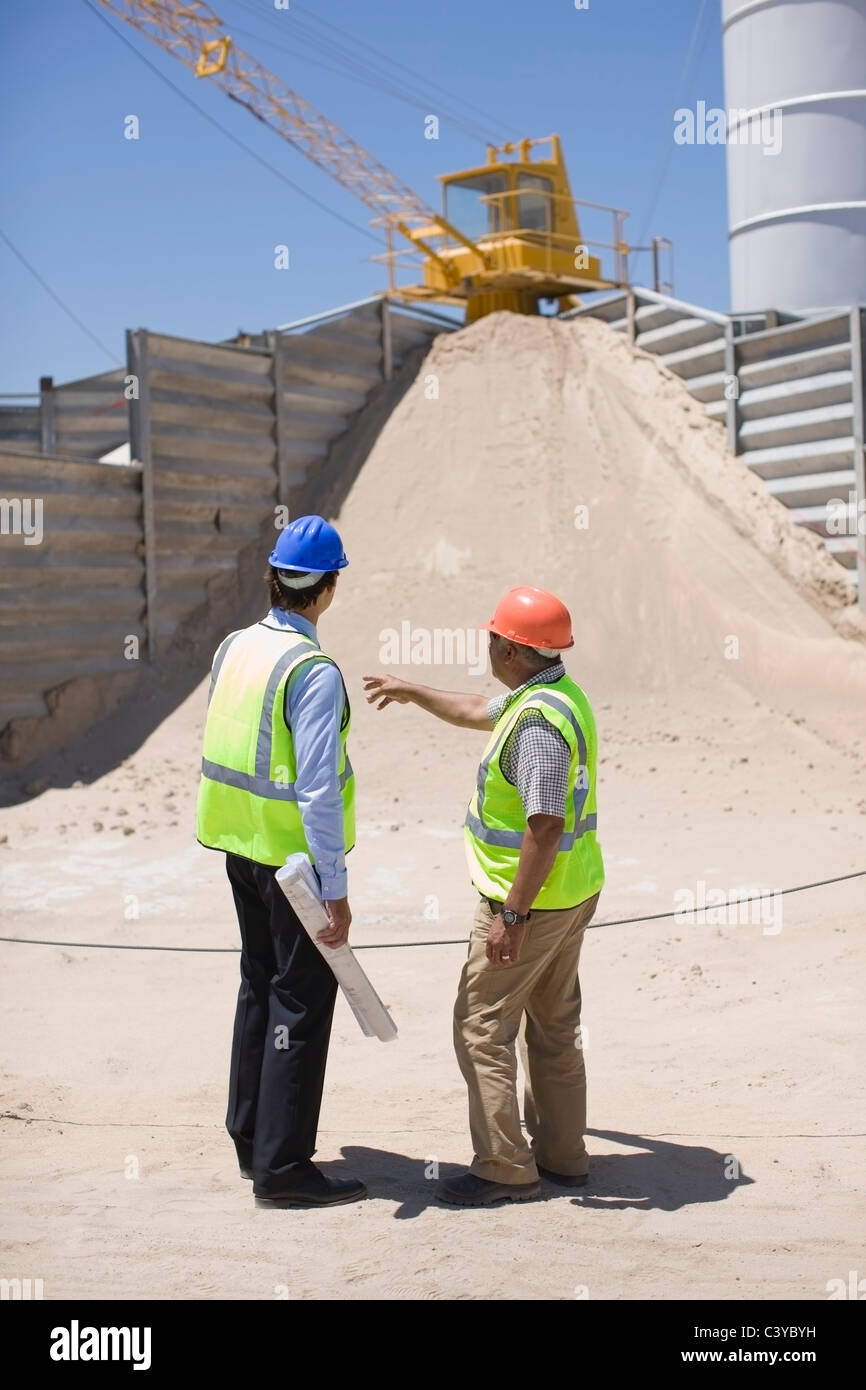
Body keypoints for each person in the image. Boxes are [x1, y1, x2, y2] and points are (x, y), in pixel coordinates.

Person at [363, 586, 604, 1207]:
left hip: (531, 901)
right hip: (574, 892)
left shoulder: (537, 728)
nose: (488, 646)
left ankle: (504, 1166)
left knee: (481, 1026)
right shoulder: (553, 696)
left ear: (517, 650)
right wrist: (414, 691)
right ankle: (563, 1155)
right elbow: (478, 709)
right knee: (553, 1025)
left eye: (494, 639)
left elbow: (544, 824)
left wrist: (512, 915)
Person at [196, 515, 366, 1208]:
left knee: (258, 984)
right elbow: (318, 788)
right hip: (293, 863)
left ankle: (250, 1139)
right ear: (327, 589)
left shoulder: (234, 647)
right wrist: (335, 885)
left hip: (237, 847)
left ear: (273, 577)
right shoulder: (313, 671)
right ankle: (285, 1170)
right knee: (301, 999)